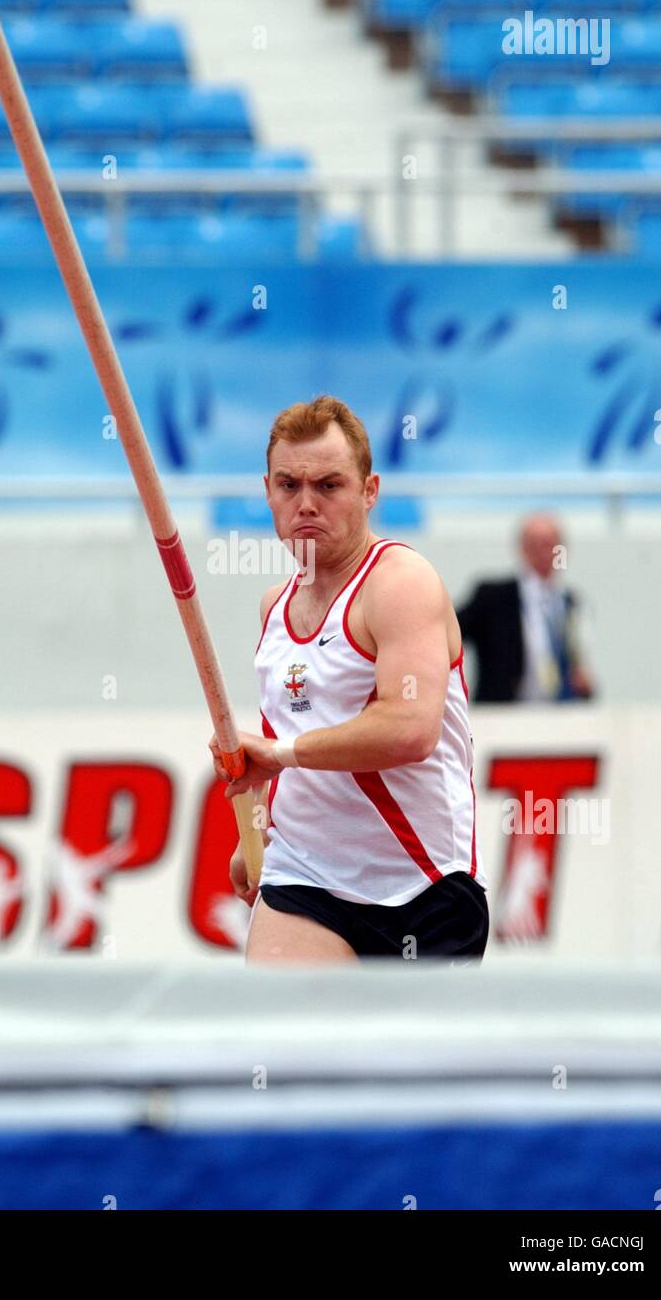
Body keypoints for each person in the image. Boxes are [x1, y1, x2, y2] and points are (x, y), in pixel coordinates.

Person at [209, 395, 488, 965]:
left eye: (329, 486)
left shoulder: (399, 584)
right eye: (289, 486)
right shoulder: (273, 608)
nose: (306, 504)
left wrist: (281, 754)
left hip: (423, 886)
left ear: (369, 491)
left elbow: (409, 729)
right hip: (304, 880)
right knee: (290, 1043)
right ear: (267, 492)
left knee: (400, 1058)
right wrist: (256, 831)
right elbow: (282, 731)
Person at [457, 513, 595, 704]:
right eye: (535, 544)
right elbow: (450, 634)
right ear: (522, 548)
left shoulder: (569, 602)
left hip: (559, 714)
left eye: (551, 545)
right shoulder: (493, 598)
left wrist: (582, 684)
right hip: (503, 713)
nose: (544, 552)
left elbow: (576, 662)